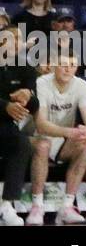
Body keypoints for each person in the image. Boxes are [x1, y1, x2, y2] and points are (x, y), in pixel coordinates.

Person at [29, 50, 86, 225]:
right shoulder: (40, 83)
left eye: (72, 66)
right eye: (63, 65)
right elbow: (41, 125)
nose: (68, 70)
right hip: (33, 136)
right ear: (52, 66)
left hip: (60, 139)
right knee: (43, 145)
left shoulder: (81, 85)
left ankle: (67, 206)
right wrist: (70, 132)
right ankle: (37, 207)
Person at [0, 25, 36, 226]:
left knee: (21, 143)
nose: (17, 42)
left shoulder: (25, 67)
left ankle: (7, 205)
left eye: (19, 38)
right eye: (11, 37)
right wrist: (6, 105)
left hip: (5, 127)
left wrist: (28, 97)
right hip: (3, 116)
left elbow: (36, 104)